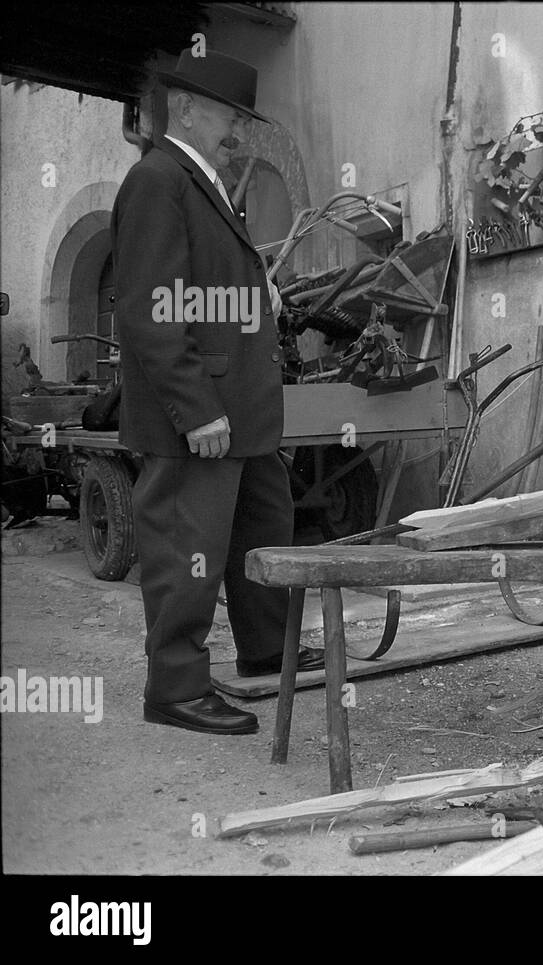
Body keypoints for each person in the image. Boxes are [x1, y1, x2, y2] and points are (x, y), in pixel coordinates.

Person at [112, 49, 323, 735]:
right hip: (200, 414)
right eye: (232, 115)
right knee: (189, 546)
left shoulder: (202, 182)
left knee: (265, 527)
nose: (239, 131)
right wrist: (196, 407)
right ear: (190, 108)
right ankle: (174, 687)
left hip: (245, 413)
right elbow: (150, 306)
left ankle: (266, 651)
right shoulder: (158, 180)